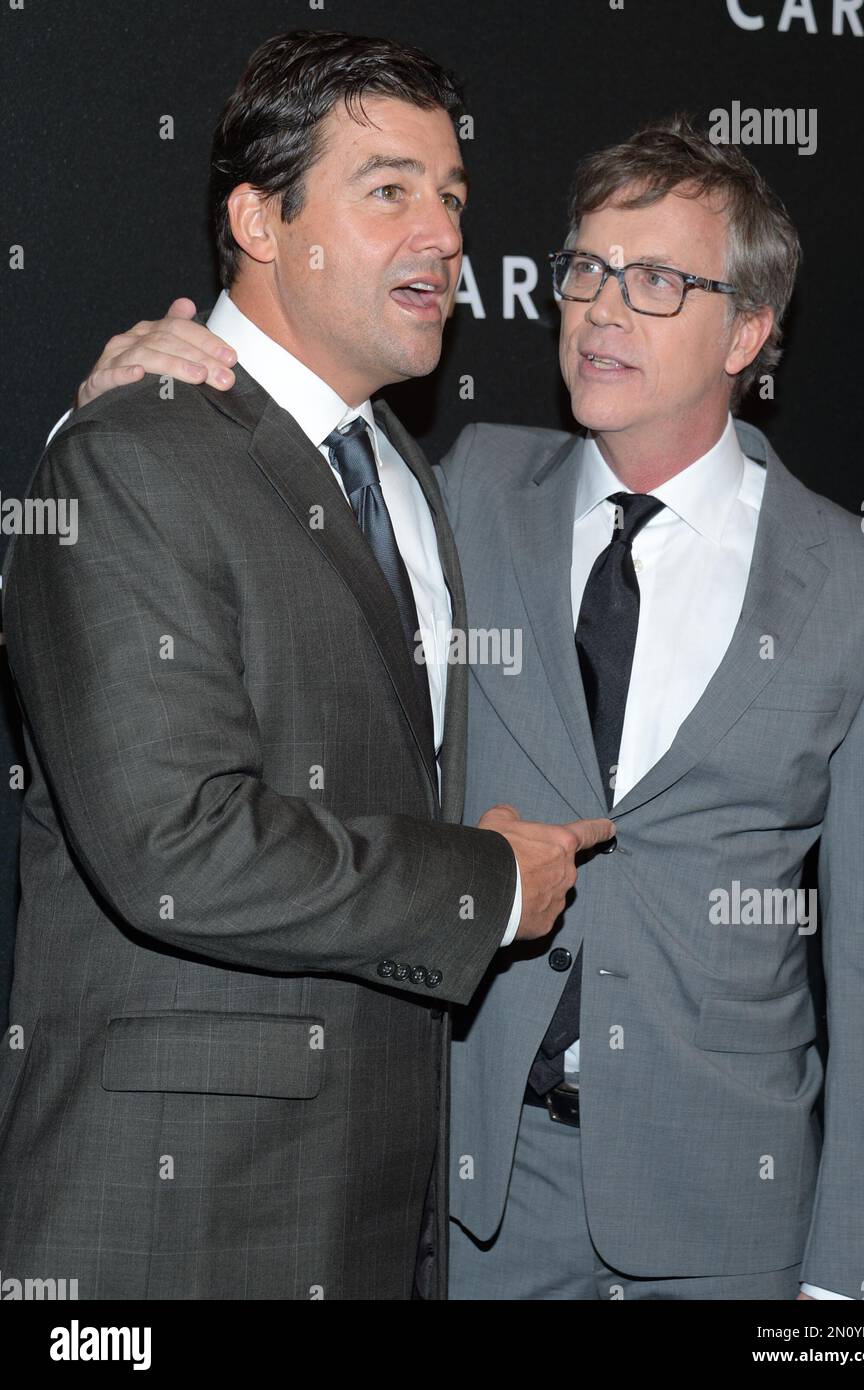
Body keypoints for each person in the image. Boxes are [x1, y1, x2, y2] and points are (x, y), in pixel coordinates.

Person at [66, 119, 864, 1300]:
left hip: (732, 1210)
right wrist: (128, 385)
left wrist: (854, 1292)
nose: (600, 309)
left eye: (656, 282)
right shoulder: (454, 490)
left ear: (748, 329)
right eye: (583, 270)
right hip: (471, 1202)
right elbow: (244, 474)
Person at [0, 29, 612, 1302]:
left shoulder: (402, 475)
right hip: (187, 1215)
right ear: (256, 219)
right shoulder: (132, 455)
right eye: (387, 190)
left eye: (451, 197)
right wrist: (486, 885)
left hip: (382, 1205)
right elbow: (174, 847)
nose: (442, 235)